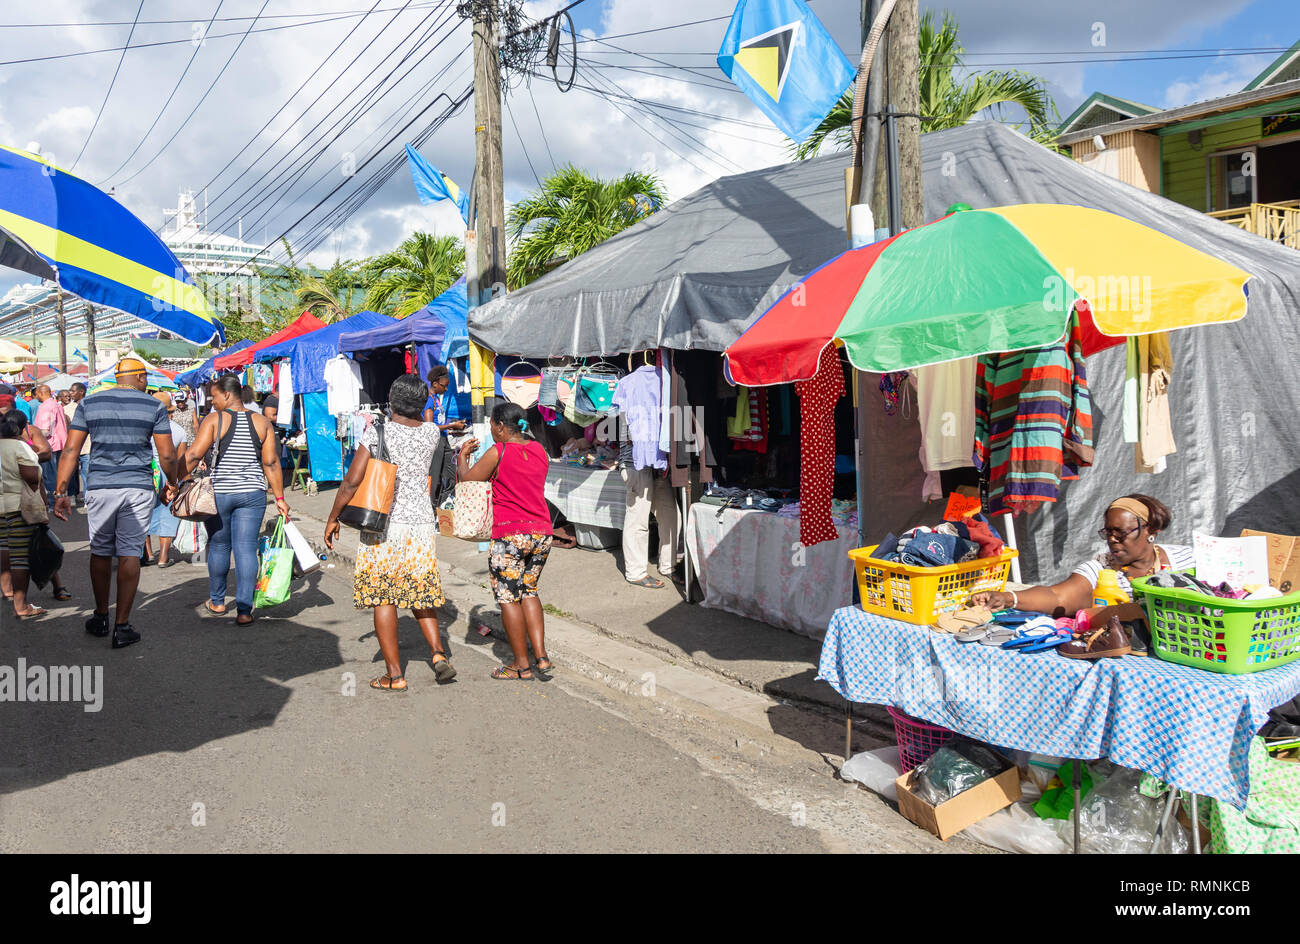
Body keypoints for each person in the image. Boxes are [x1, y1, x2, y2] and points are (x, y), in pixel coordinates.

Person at [324, 375, 454, 692]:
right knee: (420, 591)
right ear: (423, 403)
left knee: (385, 596)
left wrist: (333, 517)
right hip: (422, 523)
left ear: (392, 402)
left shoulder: (378, 431)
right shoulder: (432, 433)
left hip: (383, 523)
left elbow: (353, 481)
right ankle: (438, 655)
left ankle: (394, 675)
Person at [54, 358, 179, 649]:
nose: (147, 381)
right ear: (136, 377)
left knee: (99, 550)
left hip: (100, 486)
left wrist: (61, 492)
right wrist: (172, 482)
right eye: (145, 376)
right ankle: (122, 626)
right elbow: (167, 455)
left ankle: (100, 617)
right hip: (137, 488)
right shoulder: (154, 406)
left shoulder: (89, 404)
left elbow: (71, 449)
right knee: (129, 553)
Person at [179, 374, 289, 624]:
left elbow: (194, 454)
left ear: (227, 395)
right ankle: (244, 610)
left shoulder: (214, 419)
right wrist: (280, 497)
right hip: (252, 494)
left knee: (219, 546)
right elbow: (271, 463)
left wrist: (175, 481)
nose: (212, 401)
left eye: (214, 396)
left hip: (220, 494)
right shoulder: (262, 422)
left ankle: (217, 602)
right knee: (246, 548)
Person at [969, 494, 1193, 616]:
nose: (1112, 539)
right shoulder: (1100, 569)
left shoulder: (1185, 560)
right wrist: (1010, 598)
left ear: (1151, 531)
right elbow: (1056, 596)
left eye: (1121, 533)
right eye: (1108, 532)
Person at [457, 401, 553, 680]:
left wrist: (462, 456)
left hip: (510, 535)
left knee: (508, 599)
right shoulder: (539, 450)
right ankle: (542, 658)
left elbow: (468, 483)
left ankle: (520, 665)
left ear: (500, 427)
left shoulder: (498, 451)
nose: (492, 432)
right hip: (542, 532)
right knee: (530, 591)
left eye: (492, 427)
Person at [1, 409, 48, 619]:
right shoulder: (19, 447)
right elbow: (31, 476)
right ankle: (21, 606)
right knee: (20, 557)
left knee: (3, 546)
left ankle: (6, 589)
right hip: (18, 507)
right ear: (22, 428)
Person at [143, 391, 189, 568]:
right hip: (169, 473)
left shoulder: (144, 428)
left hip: (146, 472)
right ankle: (163, 556)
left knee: (143, 512)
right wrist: (179, 481)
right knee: (168, 513)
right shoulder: (178, 431)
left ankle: (147, 554)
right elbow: (181, 459)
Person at [32, 384, 68, 509]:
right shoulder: (56, 405)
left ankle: (54, 502)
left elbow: (45, 430)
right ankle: (61, 497)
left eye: (36, 394)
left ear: (40, 393)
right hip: (59, 444)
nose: (36, 396)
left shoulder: (45, 407)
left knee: (50, 475)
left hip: (49, 445)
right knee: (57, 474)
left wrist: (34, 438)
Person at [66, 382, 90, 505]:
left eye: (73, 391)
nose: (70, 393)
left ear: (81, 392)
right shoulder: (66, 409)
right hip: (72, 446)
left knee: (86, 474)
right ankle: (72, 495)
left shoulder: (90, 406)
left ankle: (87, 498)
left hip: (87, 447)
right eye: (70, 391)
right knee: (71, 473)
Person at [423, 365, 466, 434]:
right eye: (444, 386)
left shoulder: (436, 398)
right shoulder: (429, 400)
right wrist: (451, 425)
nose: (446, 389)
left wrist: (452, 431)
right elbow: (429, 428)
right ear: (435, 384)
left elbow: (438, 423)